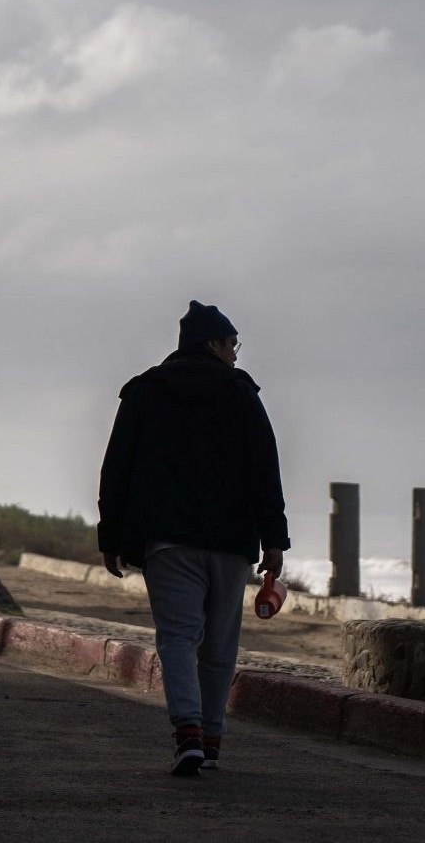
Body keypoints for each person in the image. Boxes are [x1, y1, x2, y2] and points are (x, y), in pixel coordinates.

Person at [98, 300, 290, 777]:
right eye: (231, 344)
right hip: (230, 542)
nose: (235, 354)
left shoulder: (145, 391)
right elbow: (264, 468)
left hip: (167, 542)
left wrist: (111, 536)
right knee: (220, 645)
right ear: (212, 343)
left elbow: (116, 468)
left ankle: (188, 734)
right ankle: (211, 738)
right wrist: (274, 540)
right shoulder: (241, 393)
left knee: (179, 638)